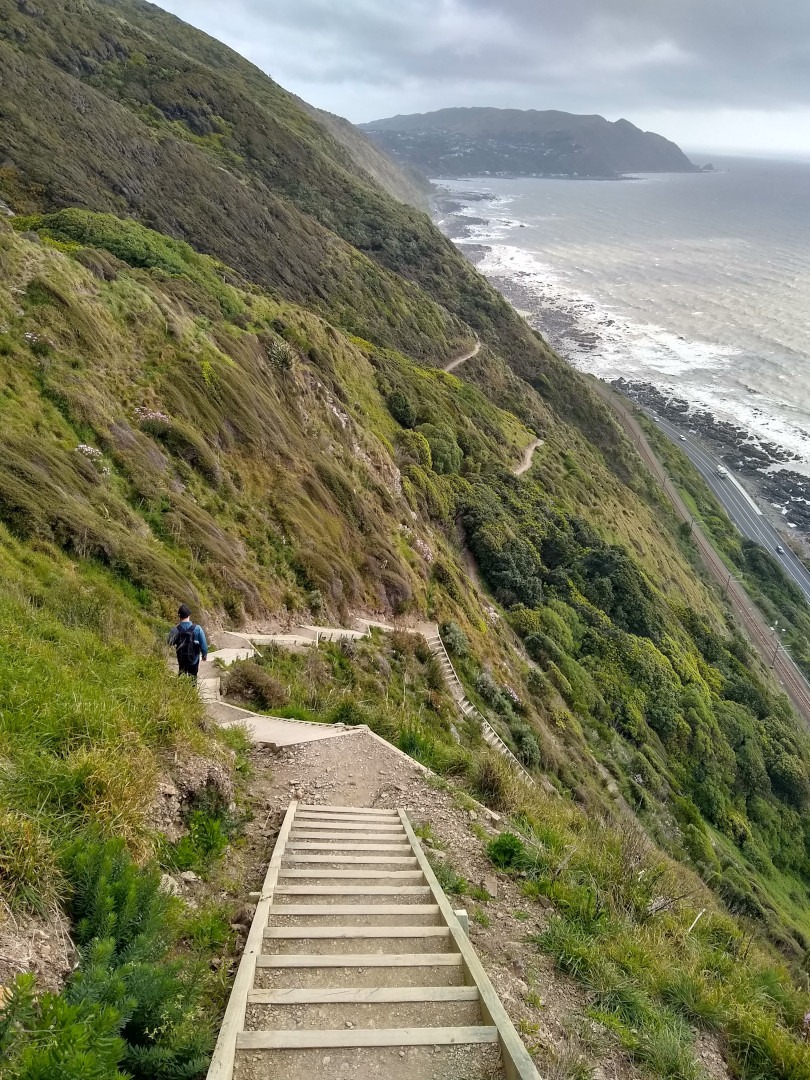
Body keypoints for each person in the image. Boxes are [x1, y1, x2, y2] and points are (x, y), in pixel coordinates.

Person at [168, 604, 208, 682]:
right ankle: (192, 693)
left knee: (181, 678)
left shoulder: (176, 629)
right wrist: (204, 654)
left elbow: (169, 642)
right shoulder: (197, 628)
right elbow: (203, 644)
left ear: (179, 616)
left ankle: (181, 693)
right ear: (189, 615)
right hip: (194, 659)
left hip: (181, 659)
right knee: (193, 679)